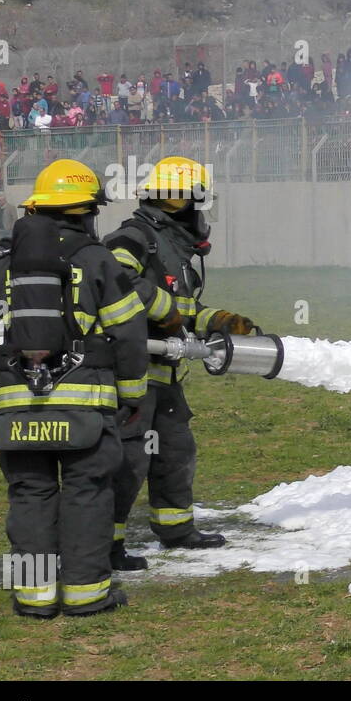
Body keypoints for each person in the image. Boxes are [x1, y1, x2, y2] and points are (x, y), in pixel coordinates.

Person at [0, 159, 147, 617]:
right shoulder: (96, 259)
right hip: (86, 405)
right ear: (82, 212)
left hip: (17, 407)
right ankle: (86, 595)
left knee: (30, 493)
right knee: (87, 492)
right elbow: (129, 331)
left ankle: (35, 596)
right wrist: (133, 394)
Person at [101, 157, 257, 559]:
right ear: (180, 202)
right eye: (197, 203)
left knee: (174, 450)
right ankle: (107, 542)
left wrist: (218, 320)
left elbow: (181, 309)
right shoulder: (133, 238)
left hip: (165, 372)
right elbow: (115, 281)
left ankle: (175, 528)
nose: (201, 214)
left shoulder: (172, 246)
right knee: (130, 460)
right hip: (132, 371)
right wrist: (161, 309)